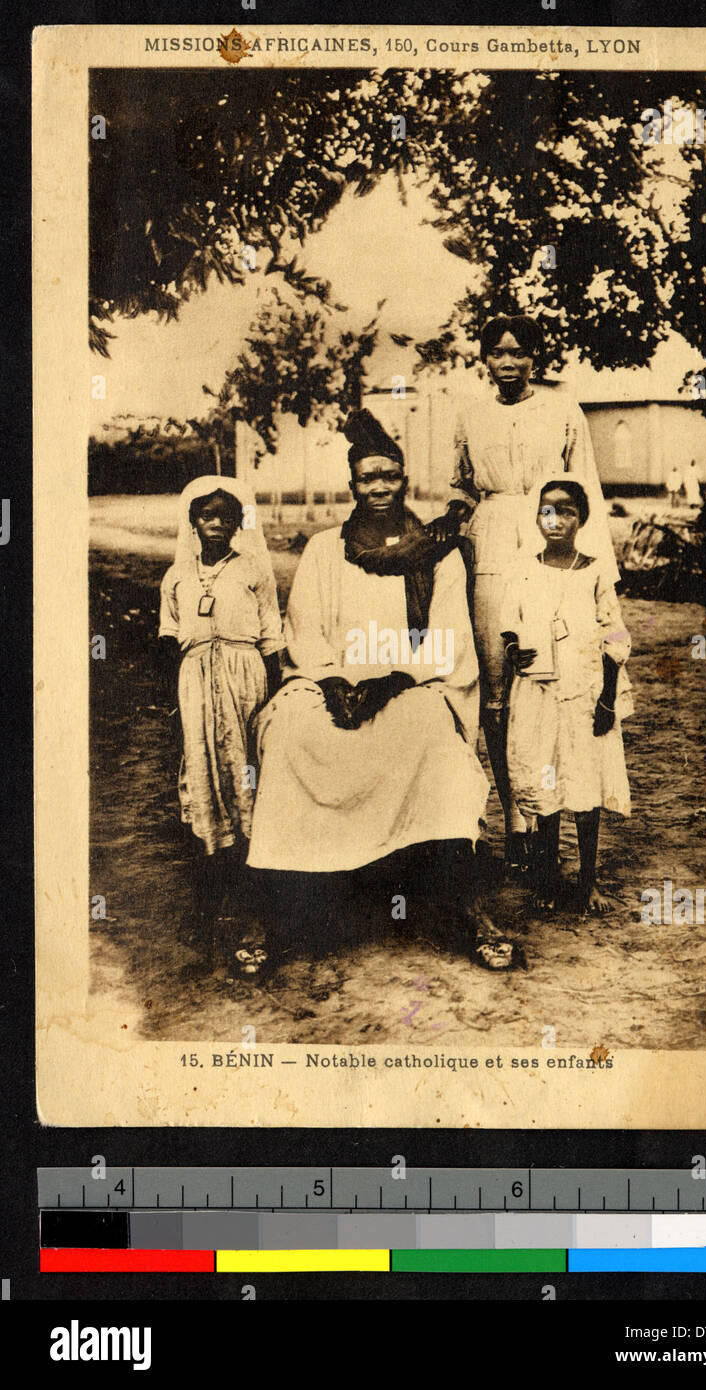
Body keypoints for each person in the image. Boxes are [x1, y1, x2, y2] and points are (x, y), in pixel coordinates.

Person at [246, 409, 515, 971]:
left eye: (389, 476)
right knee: (292, 731)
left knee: (432, 740)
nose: (379, 488)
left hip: (412, 682)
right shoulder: (324, 549)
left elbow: (448, 641)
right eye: (368, 478)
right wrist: (333, 680)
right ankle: (275, 908)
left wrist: (394, 679)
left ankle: (465, 905)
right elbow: (306, 629)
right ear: (353, 485)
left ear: (404, 479)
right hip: (331, 681)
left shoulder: (437, 552)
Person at [431, 314, 618, 875]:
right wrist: (452, 517)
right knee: (496, 681)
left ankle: (548, 813)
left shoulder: (562, 410)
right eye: (497, 353)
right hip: (489, 543)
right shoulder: (470, 413)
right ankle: (516, 819)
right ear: (484, 359)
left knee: (546, 677)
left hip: (547, 536)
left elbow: (585, 488)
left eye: (519, 353)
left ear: (536, 357)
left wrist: (596, 566)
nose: (508, 363)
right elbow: (462, 484)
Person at [158, 476, 283, 960]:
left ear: (238, 523)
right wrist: (175, 698)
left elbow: (270, 633)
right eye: (206, 515)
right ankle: (210, 895)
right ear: (192, 522)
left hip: (244, 675)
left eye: (225, 517)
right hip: (195, 680)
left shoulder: (252, 569)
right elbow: (170, 635)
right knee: (204, 772)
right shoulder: (177, 576)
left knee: (247, 772)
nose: (215, 524)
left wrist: (272, 694)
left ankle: (259, 894)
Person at [500, 480, 632, 915]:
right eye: (546, 511)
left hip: (584, 694)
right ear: (536, 518)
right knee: (549, 784)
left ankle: (589, 880)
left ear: (583, 517)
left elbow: (615, 639)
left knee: (585, 786)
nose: (555, 520)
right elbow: (509, 626)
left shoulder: (594, 572)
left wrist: (607, 700)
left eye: (566, 511)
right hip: (539, 696)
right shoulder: (522, 569)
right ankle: (549, 878)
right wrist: (514, 651)